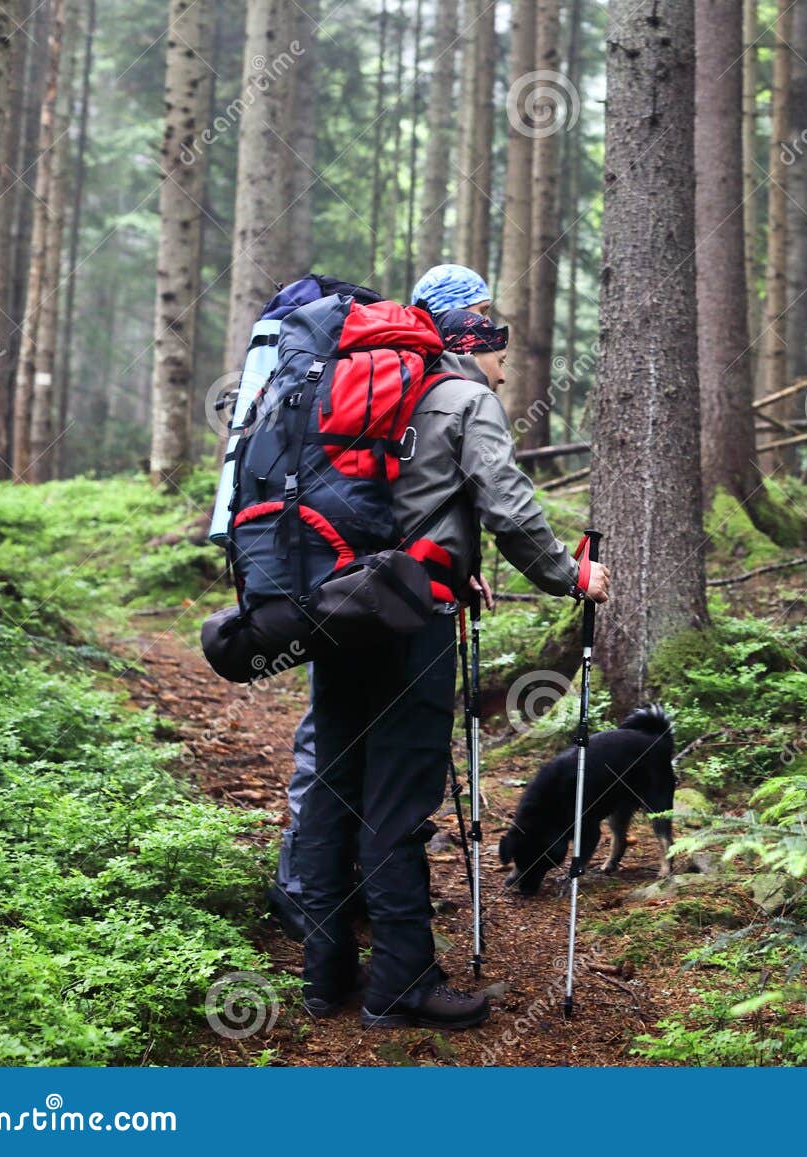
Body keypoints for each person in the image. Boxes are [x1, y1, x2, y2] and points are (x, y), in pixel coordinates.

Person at [294, 298, 610, 1030]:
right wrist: (571, 577)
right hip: (412, 622)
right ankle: (399, 984)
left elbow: (394, 503)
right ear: (476, 346)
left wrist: (454, 557)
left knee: (334, 788)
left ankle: (325, 974)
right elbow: (509, 505)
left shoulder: (360, 393)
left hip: (334, 611)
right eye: (501, 350)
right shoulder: (465, 400)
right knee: (399, 803)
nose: (506, 367)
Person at [268, 284, 507, 941]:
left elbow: (398, 496)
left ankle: (324, 928)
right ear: (450, 318)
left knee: (339, 754)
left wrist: (458, 562)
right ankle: (344, 916)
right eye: (479, 315)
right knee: (364, 766)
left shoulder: (382, 381)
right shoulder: (414, 382)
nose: (488, 331)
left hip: (343, 588)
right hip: (390, 602)